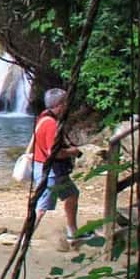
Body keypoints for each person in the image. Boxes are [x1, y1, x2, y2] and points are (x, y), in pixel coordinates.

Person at [30, 88, 88, 242]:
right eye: (65, 103)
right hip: (50, 171)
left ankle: (72, 232)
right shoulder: (50, 124)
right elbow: (53, 153)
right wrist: (72, 152)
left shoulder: (43, 118)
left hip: (50, 169)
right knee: (41, 207)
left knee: (72, 195)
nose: (67, 106)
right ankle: (25, 237)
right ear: (60, 105)